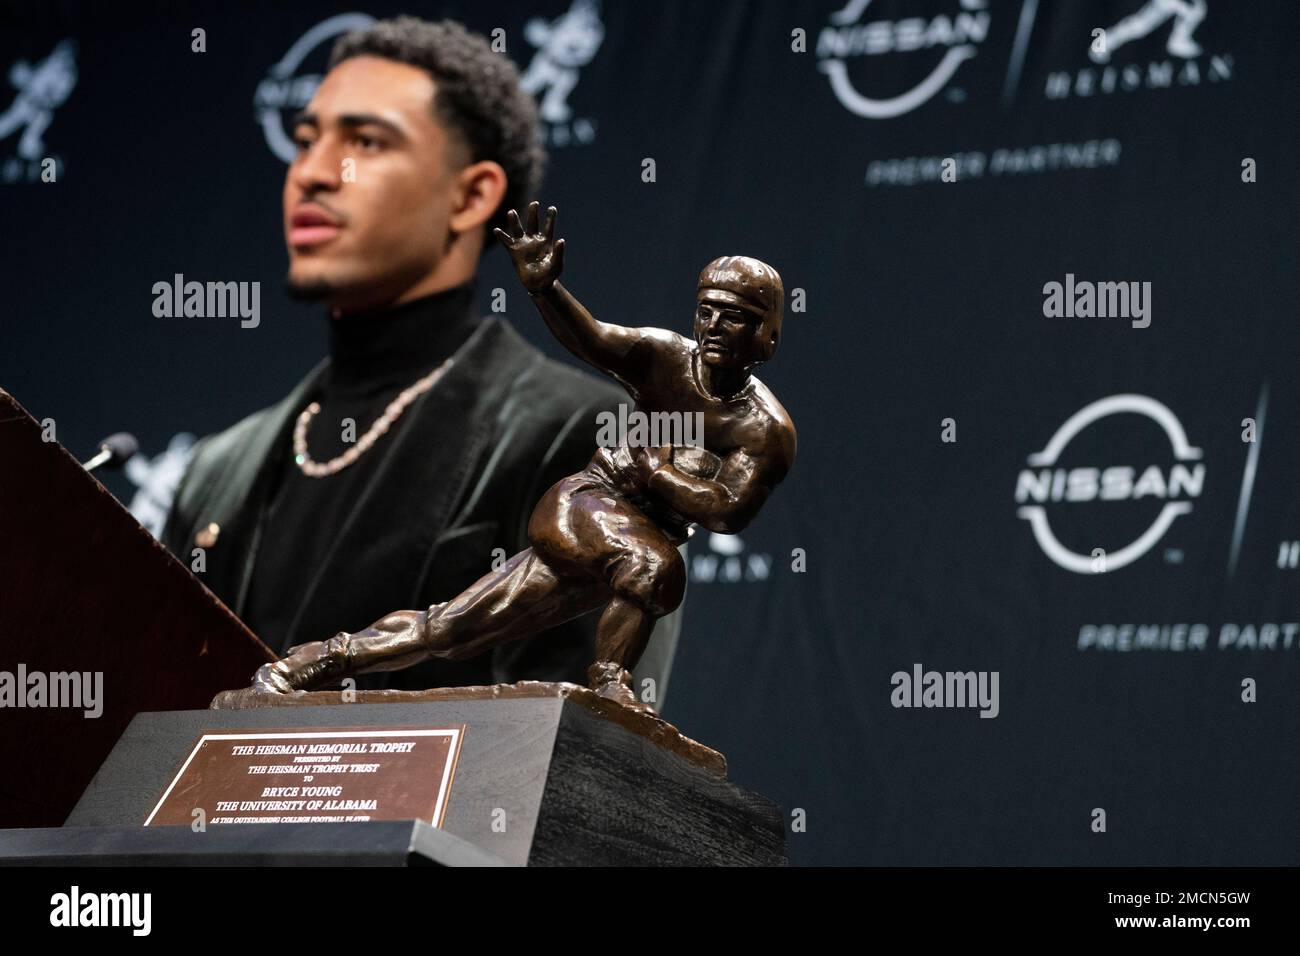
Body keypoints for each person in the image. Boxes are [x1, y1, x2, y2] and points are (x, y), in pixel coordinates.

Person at [162, 17, 679, 693]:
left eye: (366, 141)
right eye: (306, 140)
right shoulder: (216, 468)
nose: (312, 173)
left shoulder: (579, 431)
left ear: (470, 195)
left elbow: (582, 757)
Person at [249, 202, 796, 712]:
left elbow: (726, 509)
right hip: (587, 503)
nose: (716, 327)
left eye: (737, 317)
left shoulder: (764, 430)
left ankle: (310, 663)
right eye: (708, 312)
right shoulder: (664, 358)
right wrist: (546, 290)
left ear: (766, 335)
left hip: (624, 542)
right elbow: (593, 339)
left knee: (452, 631)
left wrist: (652, 470)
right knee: (656, 568)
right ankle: (610, 684)